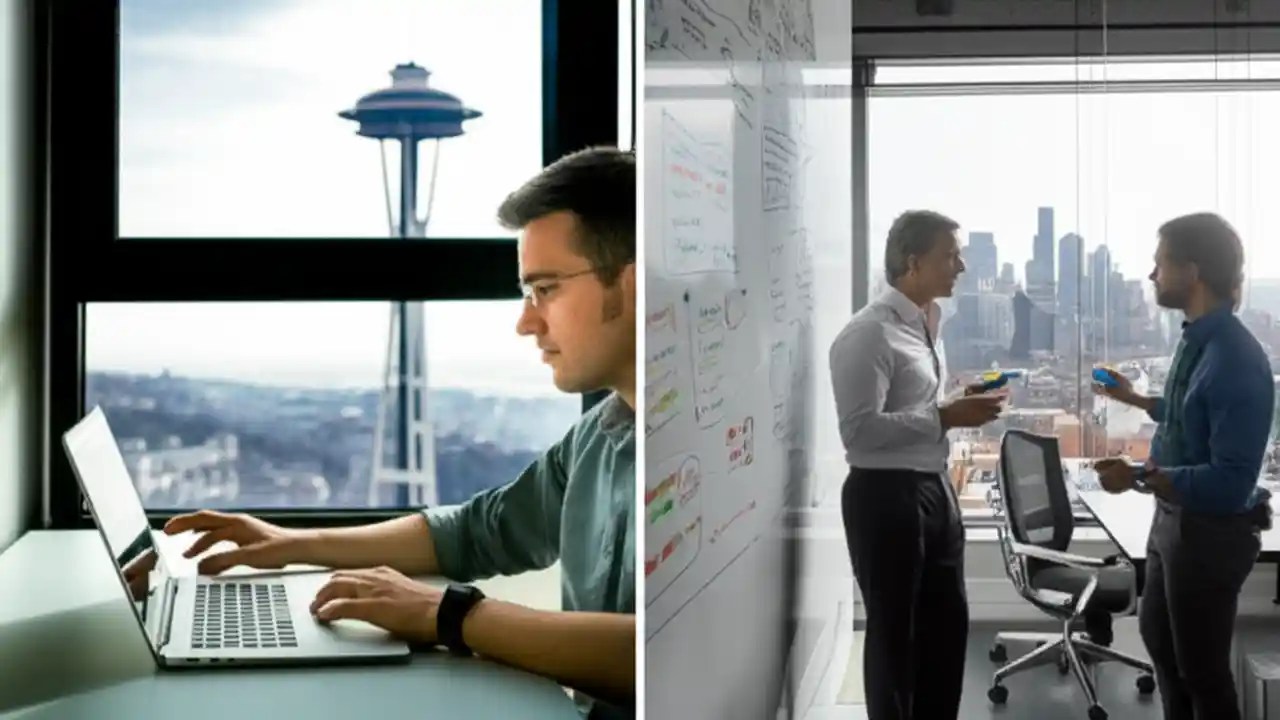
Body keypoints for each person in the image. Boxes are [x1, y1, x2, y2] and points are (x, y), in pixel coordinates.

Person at [138, 147, 637, 720]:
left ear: (631, 284)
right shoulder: (600, 436)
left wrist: (449, 614)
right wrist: (291, 543)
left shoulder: (706, 461)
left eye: (545, 289)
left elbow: (651, 650)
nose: (526, 322)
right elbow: (475, 531)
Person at [1093, 212, 1273, 720]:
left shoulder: (1236, 358)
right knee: (1166, 654)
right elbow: (1188, 411)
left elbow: (1231, 480)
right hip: (1173, 522)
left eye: (1160, 264)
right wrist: (1137, 399)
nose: (1152, 276)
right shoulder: (1197, 340)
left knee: (1202, 674)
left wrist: (1137, 477)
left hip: (1210, 534)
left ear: (1192, 271)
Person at [828, 210, 1005, 720]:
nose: (962, 266)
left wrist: (956, 401)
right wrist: (945, 415)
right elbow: (858, 431)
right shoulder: (866, 336)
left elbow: (914, 407)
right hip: (884, 497)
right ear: (913, 263)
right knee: (895, 636)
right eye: (950, 255)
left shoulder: (928, 324)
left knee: (948, 626)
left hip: (933, 488)